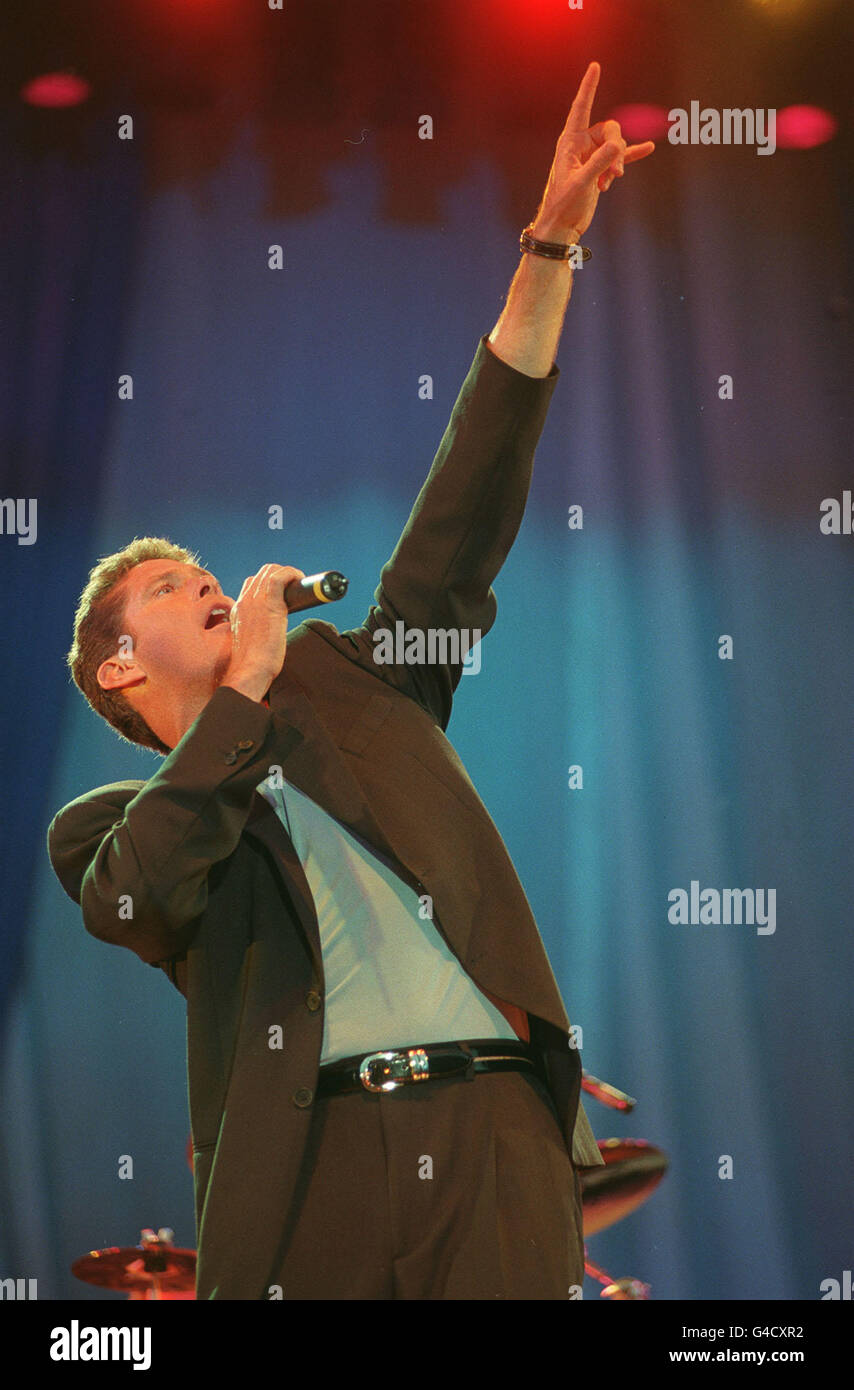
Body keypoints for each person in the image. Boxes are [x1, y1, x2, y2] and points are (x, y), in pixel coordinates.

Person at [48, 62, 654, 1299]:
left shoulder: (361, 684)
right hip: (313, 1169)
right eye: (168, 587)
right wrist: (246, 691)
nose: (207, 583)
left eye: (202, 570)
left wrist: (546, 248)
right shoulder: (108, 831)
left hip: (488, 1136)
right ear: (118, 666)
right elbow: (140, 901)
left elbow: (461, 513)